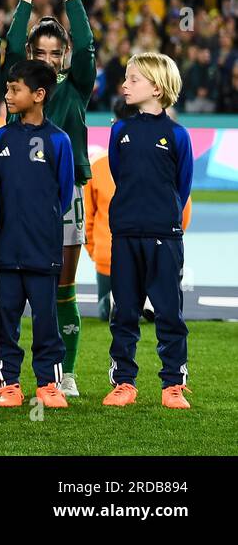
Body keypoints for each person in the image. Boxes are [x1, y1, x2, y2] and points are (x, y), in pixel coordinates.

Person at [5, 0, 95, 397]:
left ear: (65, 57)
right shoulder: (16, 90)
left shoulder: (77, 85)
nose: (47, 60)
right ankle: (10, 375)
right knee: (12, 288)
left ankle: (67, 372)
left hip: (66, 196)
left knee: (62, 288)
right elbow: (6, 47)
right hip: (17, 199)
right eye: (38, 53)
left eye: (54, 53)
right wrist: (25, 3)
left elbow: (90, 49)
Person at [103, 54, 195, 410]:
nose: (125, 85)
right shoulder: (119, 131)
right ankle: (124, 381)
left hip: (165, 236)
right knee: (124, 312)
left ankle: (173, 384)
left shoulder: (177, 135)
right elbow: (118, 173)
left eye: (133, 79)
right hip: (125, 234)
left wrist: (162, 216)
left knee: (169, 312)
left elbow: (181, 187)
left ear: (156, 87)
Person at [0, 60, 75, 409]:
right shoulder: (2, 137)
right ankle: (8, 381)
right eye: (7, 88)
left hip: (44, 249)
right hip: (7, 249)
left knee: (46, 321)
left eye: (15, 90)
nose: (8, 95)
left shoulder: (59, 140)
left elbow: (63, 193)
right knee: (5, 319)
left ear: (38, 95)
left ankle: (47, 384)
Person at [84, 98, 193, 322]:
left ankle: (126, 301)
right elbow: (183, 204)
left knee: (114, 315)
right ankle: (146, 301)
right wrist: (171, 233)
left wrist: (95, 251)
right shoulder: (165, 155)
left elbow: (87, 217)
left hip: (112, 251)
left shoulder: (98, 163)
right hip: (156, 243)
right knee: (164, 311)